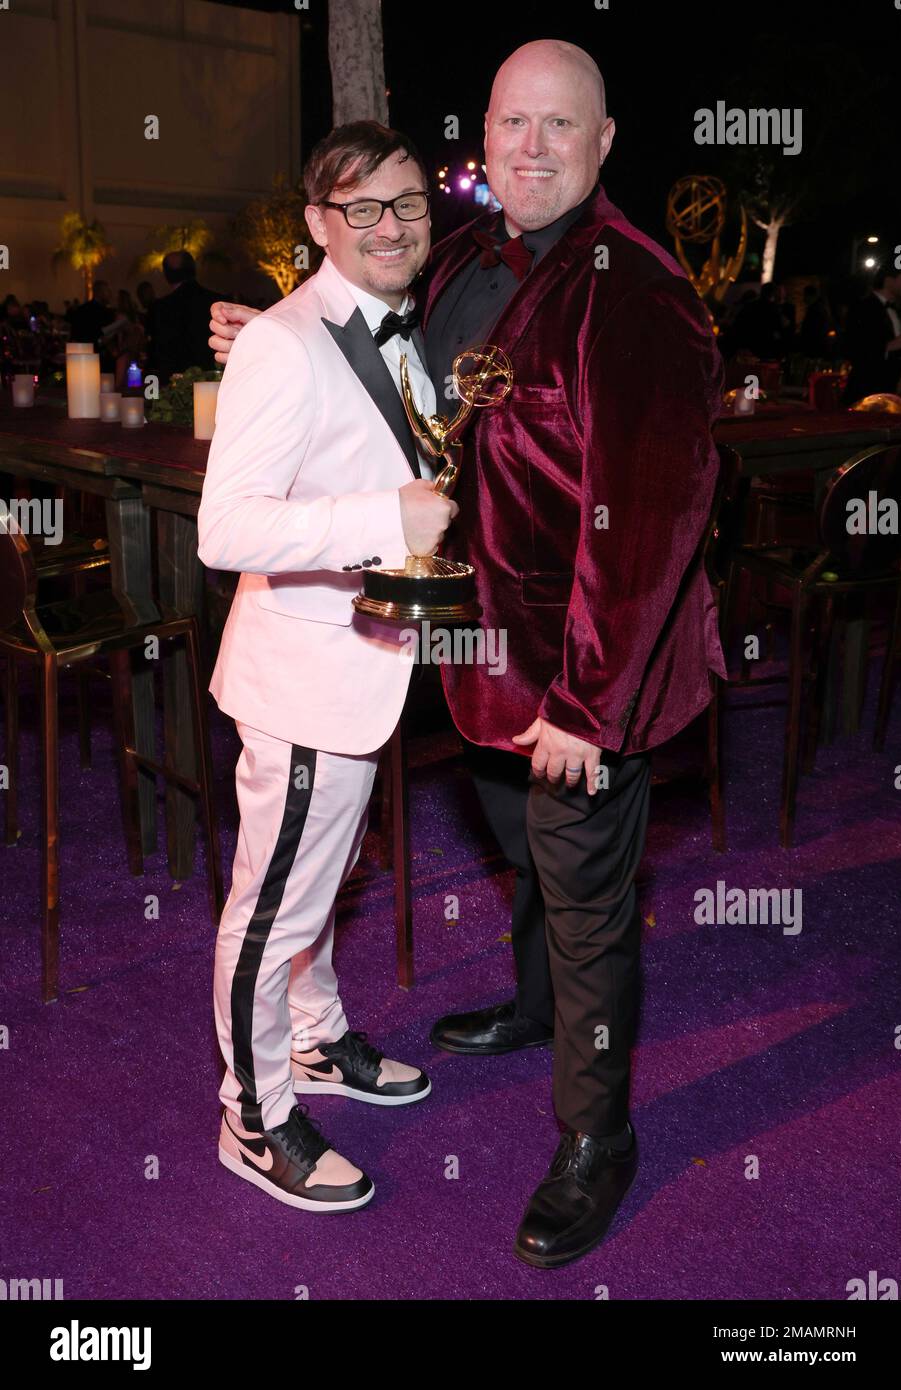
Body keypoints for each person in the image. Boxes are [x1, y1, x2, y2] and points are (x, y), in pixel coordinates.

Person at [209, 39, 725, 1268]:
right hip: (474, 657)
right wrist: (272, 331)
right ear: (482, 142)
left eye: (561, 126)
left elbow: (652, 522)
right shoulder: (465, 267)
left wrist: (590, 706)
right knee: (525, 864)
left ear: (605, 146)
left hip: (580, 678)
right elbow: (391, 373)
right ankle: (533, 1004)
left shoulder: (636, 293)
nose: (532, 147)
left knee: (592, 907)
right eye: (511, 125)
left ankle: (597, 1137)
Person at [197, 122, 454, 1213]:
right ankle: (250, 1115)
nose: (390, 225)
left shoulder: (392, 329)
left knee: (319, 887)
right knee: (275, 910)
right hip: (303, 683)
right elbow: (226, 529)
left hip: (363, 669)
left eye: (407, 203)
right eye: (363, 208)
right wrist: (380, 515)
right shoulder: (285, 342)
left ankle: (315, 1040)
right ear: (318, 223)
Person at [146, 251, 218, 385]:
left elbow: (156, 354)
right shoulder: (216, 302)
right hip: (210, 384)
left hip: (173, 388)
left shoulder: (161, 308)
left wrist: (152, 393)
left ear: (166, 275)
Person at [842, 266, 901, 403]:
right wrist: (887, 346)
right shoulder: (862, 307)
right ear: (889, 281)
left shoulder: (899, 309)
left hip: (894, 391)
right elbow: (851, 348)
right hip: (867, 390)